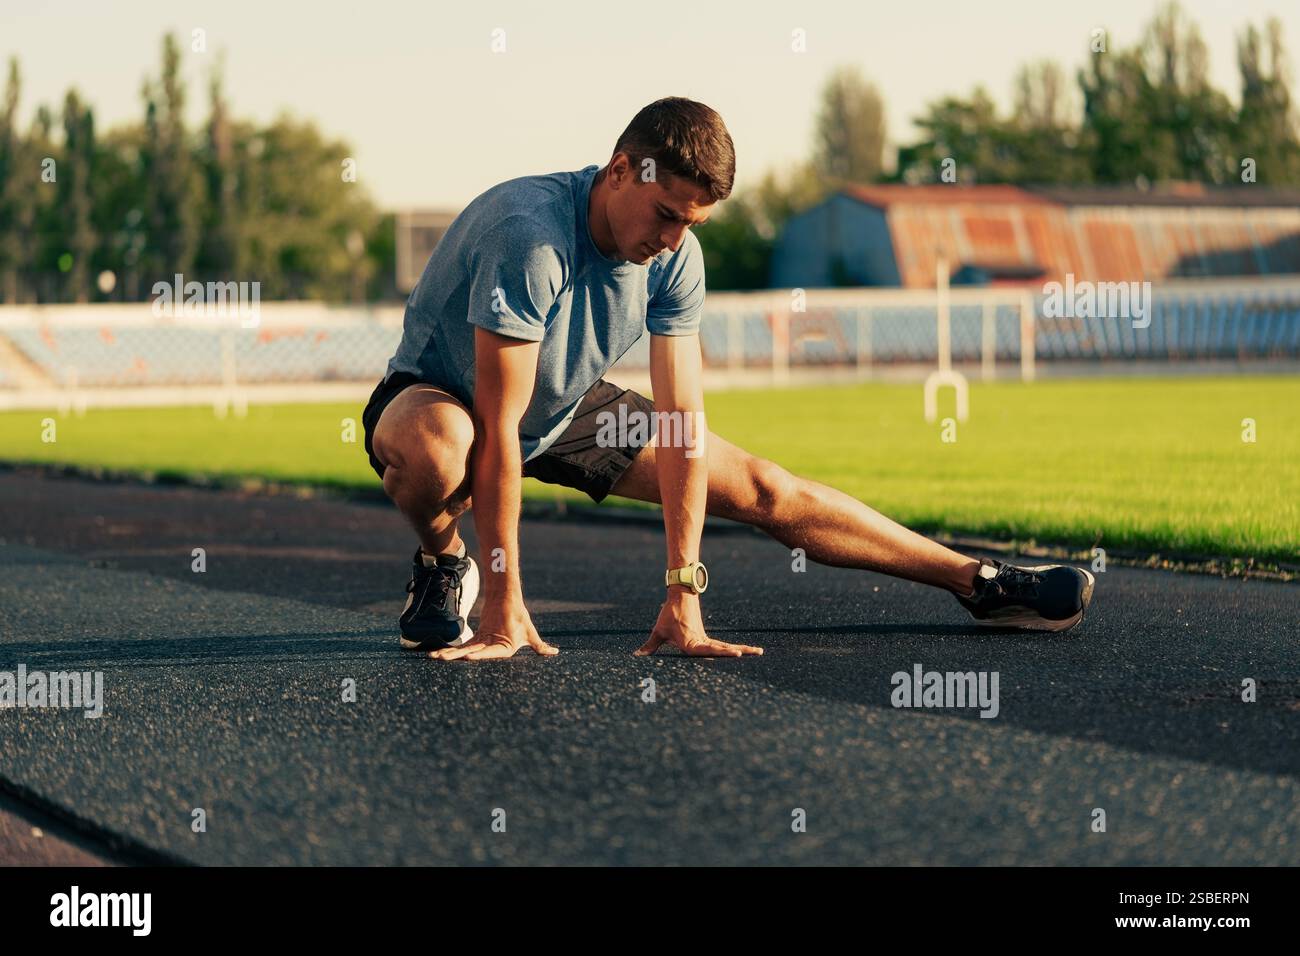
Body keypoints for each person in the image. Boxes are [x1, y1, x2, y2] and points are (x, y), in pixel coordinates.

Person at [361, 97, 1095, 661]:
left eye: (693, 224)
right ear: (621, 169)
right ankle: (445, 562)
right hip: (446, 398)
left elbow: (683, 425)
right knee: (441, 451)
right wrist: (505, 602)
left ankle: (981, 582)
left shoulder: (676, 257)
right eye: (664, 215)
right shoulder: (531, 237)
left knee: (766, 490)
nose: (673, 240)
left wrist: (684, 592)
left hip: (563, 405)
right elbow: (499, 425)